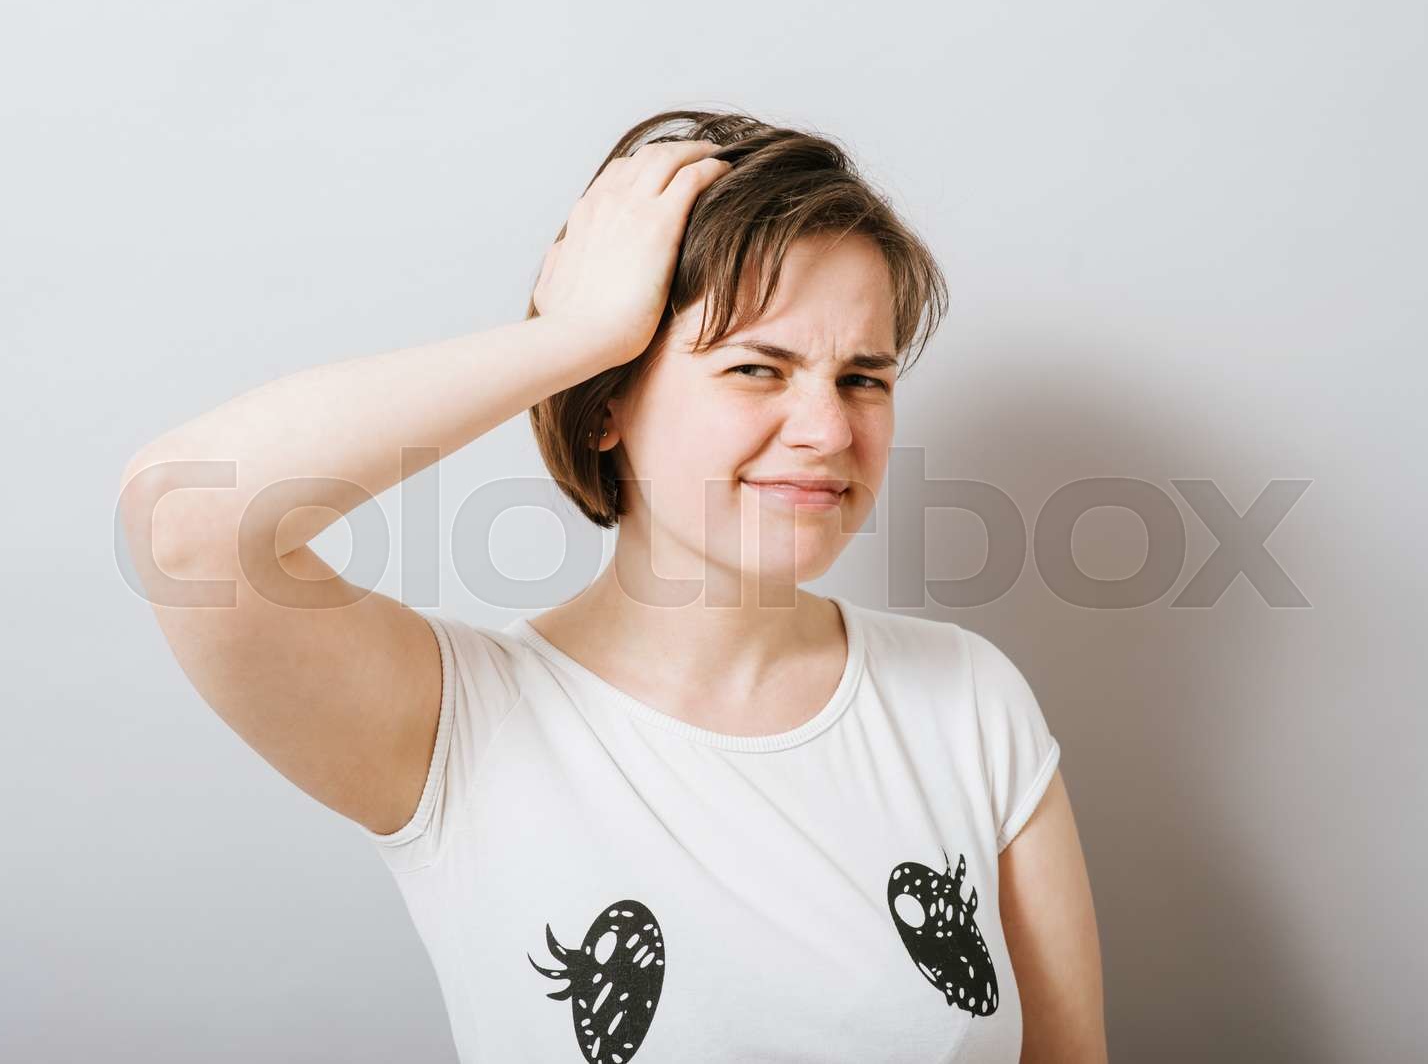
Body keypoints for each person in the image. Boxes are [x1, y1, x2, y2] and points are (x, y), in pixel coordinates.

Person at [119, 109, 1107, 1062]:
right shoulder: (457, 725)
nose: (829, 432)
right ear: (605, 408)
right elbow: (186, 520)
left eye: (863, 378)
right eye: (757, 368)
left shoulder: (967, 699)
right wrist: (579, 334)